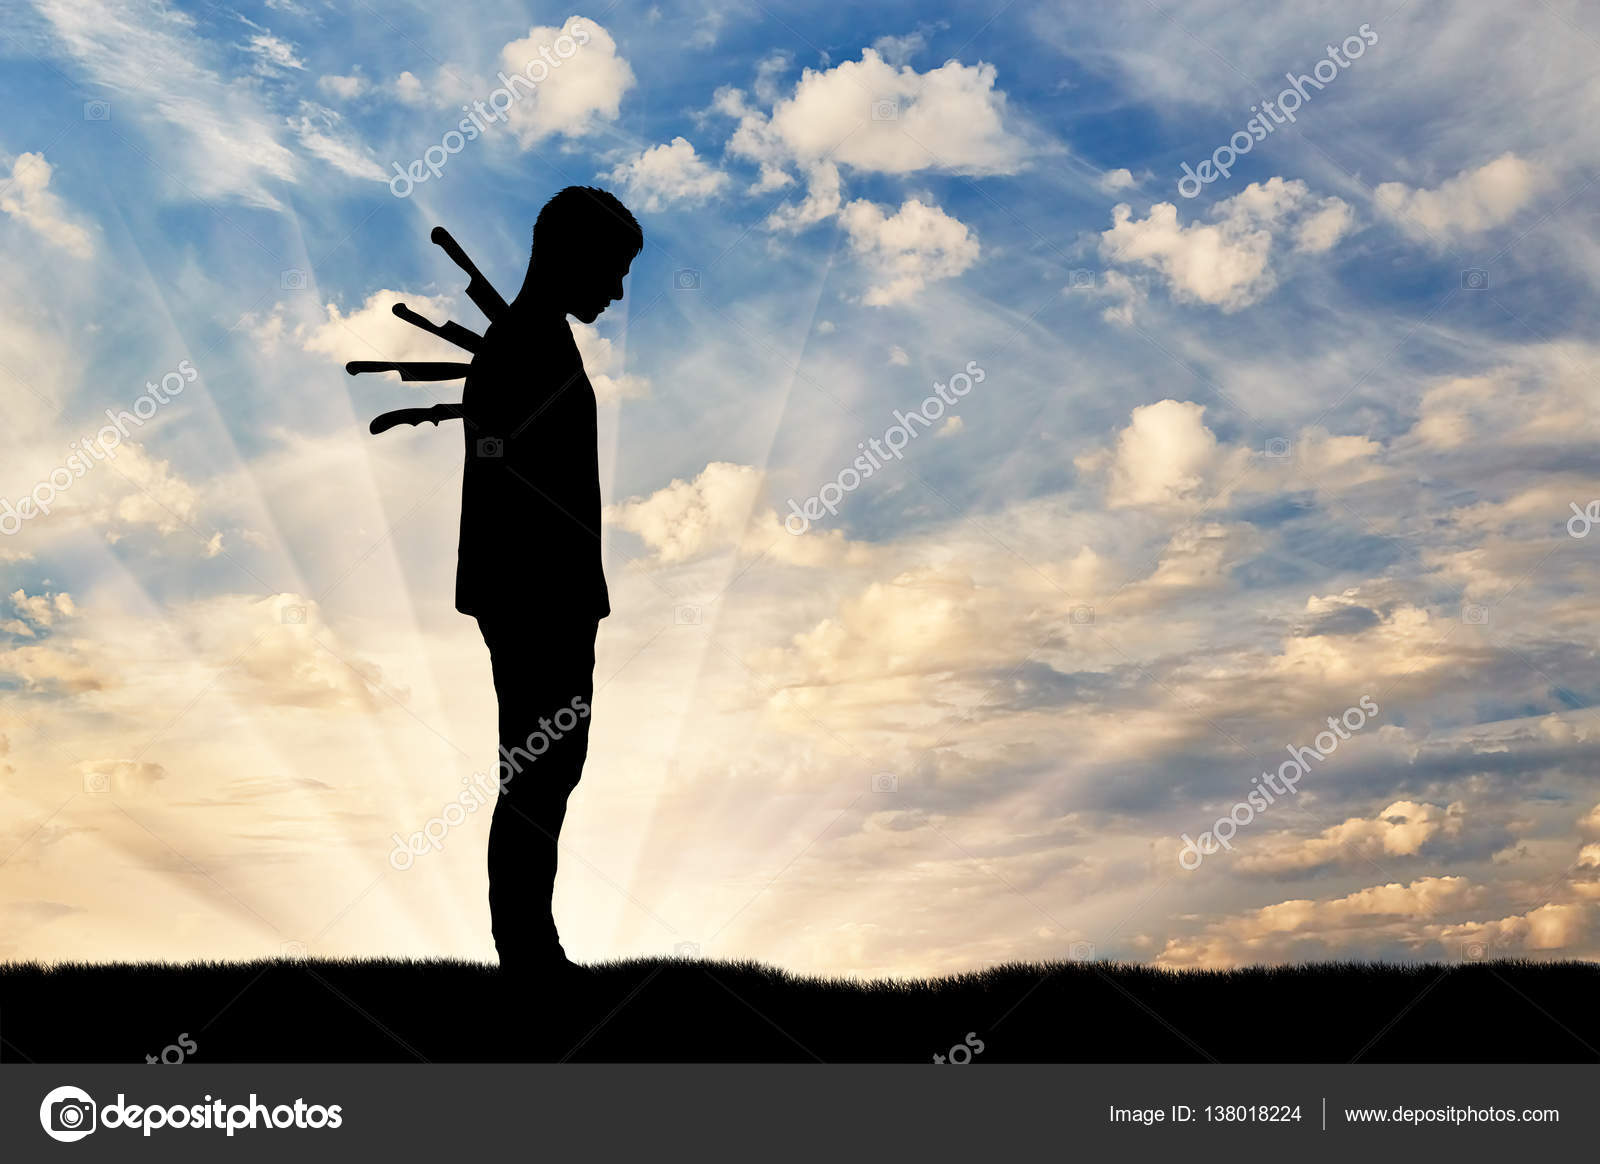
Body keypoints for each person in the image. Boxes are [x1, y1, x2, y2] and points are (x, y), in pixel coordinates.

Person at [455, 186, 642, 975]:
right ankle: (527, 947)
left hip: (547, 593)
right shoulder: (524, 344)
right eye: (612, 269)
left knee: (547, 765)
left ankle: (531, 942)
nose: (618, 291)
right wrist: (553, 592)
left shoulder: (535, 339)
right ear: (569, 256)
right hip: (535, 595)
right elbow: (508, 479)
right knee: (539, 766)